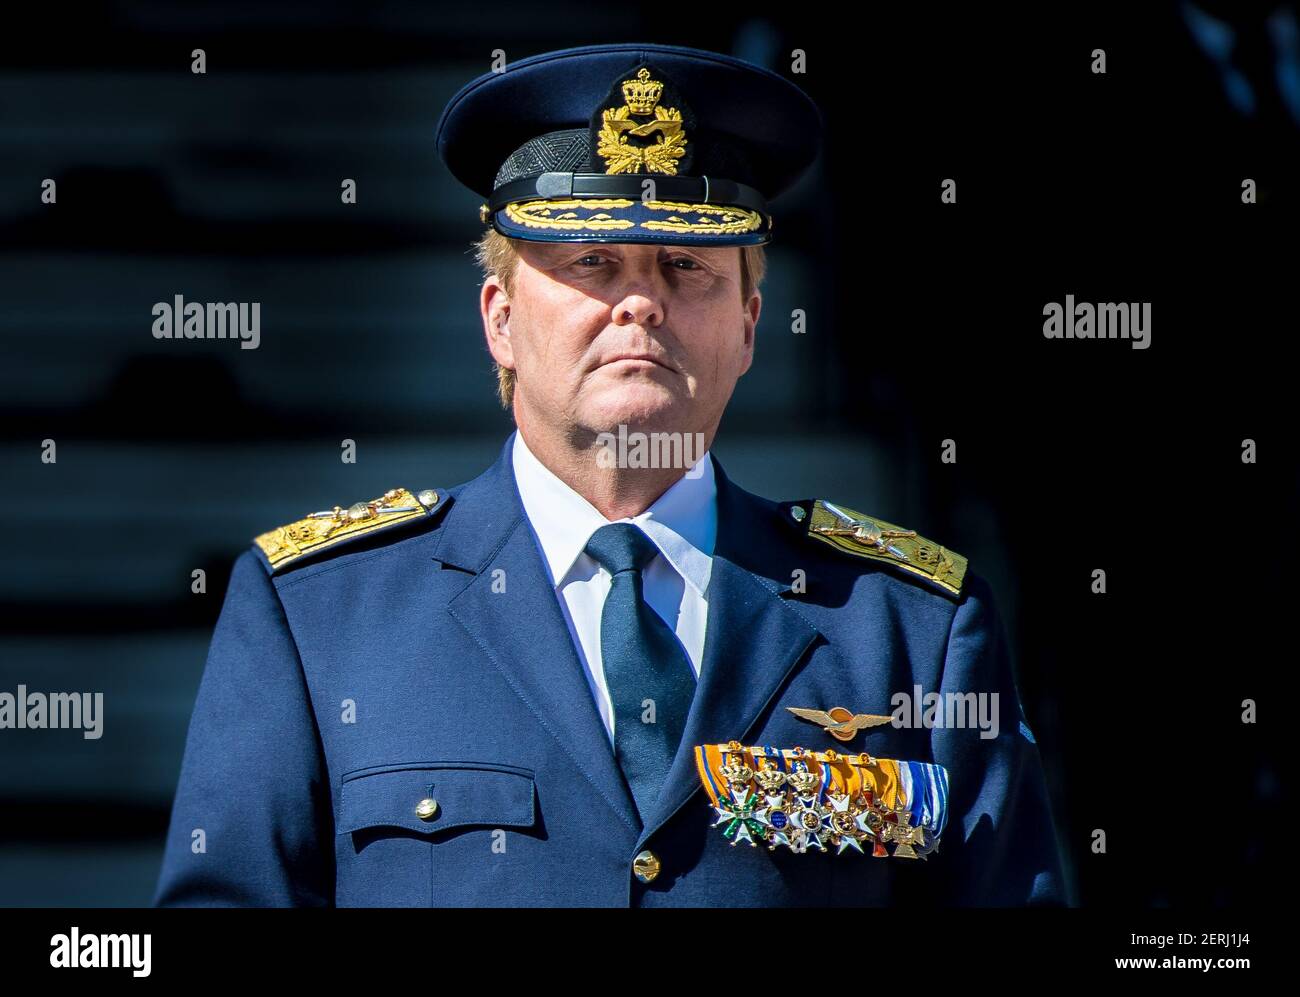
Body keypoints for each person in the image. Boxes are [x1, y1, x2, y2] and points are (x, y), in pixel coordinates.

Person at [153, 42, 1067, 907]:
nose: (642, 300)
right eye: (591, 262)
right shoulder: (321, 617)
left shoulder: (909, 628)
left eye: (685, 266)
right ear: (500, 318)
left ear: (750, 324)